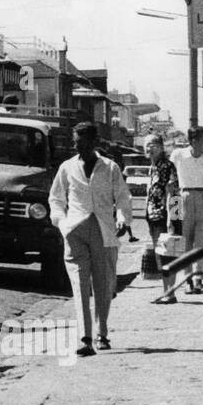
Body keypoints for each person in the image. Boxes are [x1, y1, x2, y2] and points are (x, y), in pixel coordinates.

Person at [49, 121, 132, 355]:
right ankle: (85, 338)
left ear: (94, 143)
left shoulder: (110, 167)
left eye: (84, 144)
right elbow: (55, 199)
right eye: (76, 143)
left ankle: (102, 333)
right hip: (75, 230)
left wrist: (122, 218)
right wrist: (61, 222)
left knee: (103, 286)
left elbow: (123, 197)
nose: (80, 148)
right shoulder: (67, 167)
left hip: (104, 231)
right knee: (79, 285)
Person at [171, 126, 203, 295]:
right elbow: (173, 181)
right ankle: (188, 280)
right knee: (184, 241)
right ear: (194, 141)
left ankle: (199, 281)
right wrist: (173, 211)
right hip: (183, 197)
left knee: (202, 241)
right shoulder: (178, 155)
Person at [142, 133, 180, 304]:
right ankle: (167, 292)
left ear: (161, 147)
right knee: (162, 255)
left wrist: (172, 220)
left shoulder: (166, 166)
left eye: (153, 144)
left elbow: (173, 194)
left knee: (167, 256)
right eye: (147, 144)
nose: (149, 148)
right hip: (154, 217)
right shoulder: (154, 167)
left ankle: (170, 293)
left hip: (164, 217)